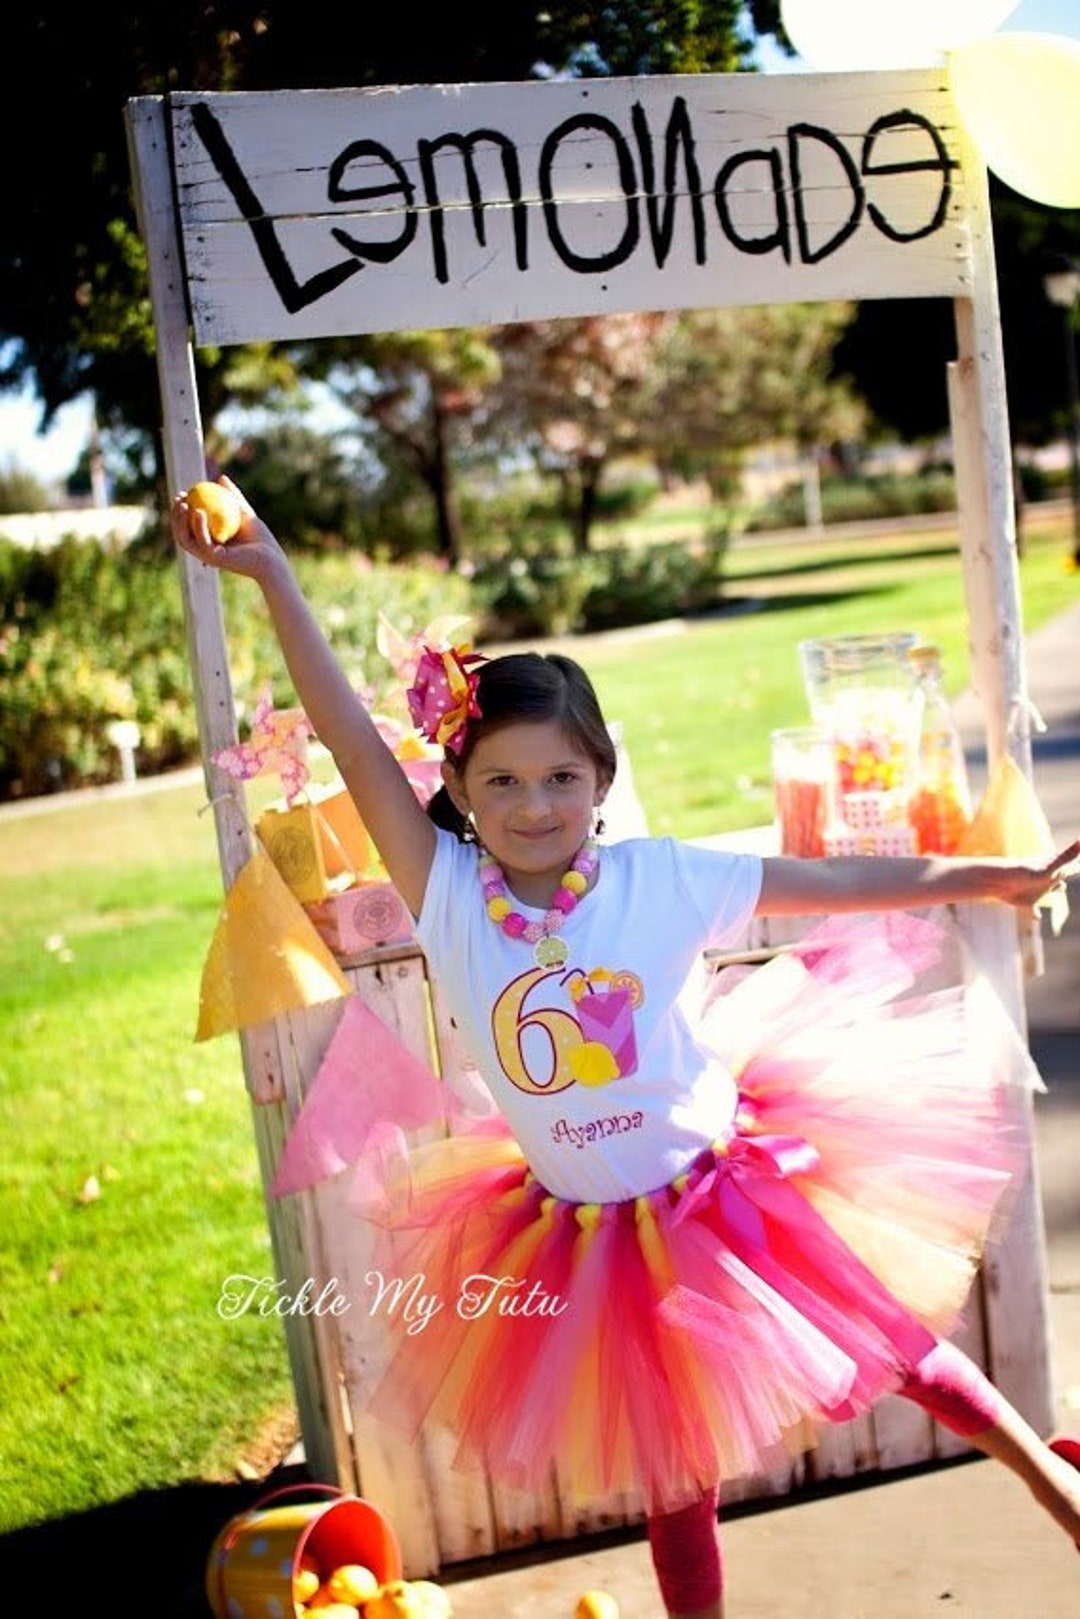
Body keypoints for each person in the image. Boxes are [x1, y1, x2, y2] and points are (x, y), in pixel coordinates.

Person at [172, 478, 1080, 1619]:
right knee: (675, 1482)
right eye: (500, 779)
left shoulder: (664, 879)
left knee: (896, 1347)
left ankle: (1049, 1471)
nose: (534, 803)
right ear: (454, 789)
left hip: (727, 1190)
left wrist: (997, 876)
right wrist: (271, 571)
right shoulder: (446, 891)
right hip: (589, 1238)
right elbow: (352, 735)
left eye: (561, 776)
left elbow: (839, 880)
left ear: (601, 779)